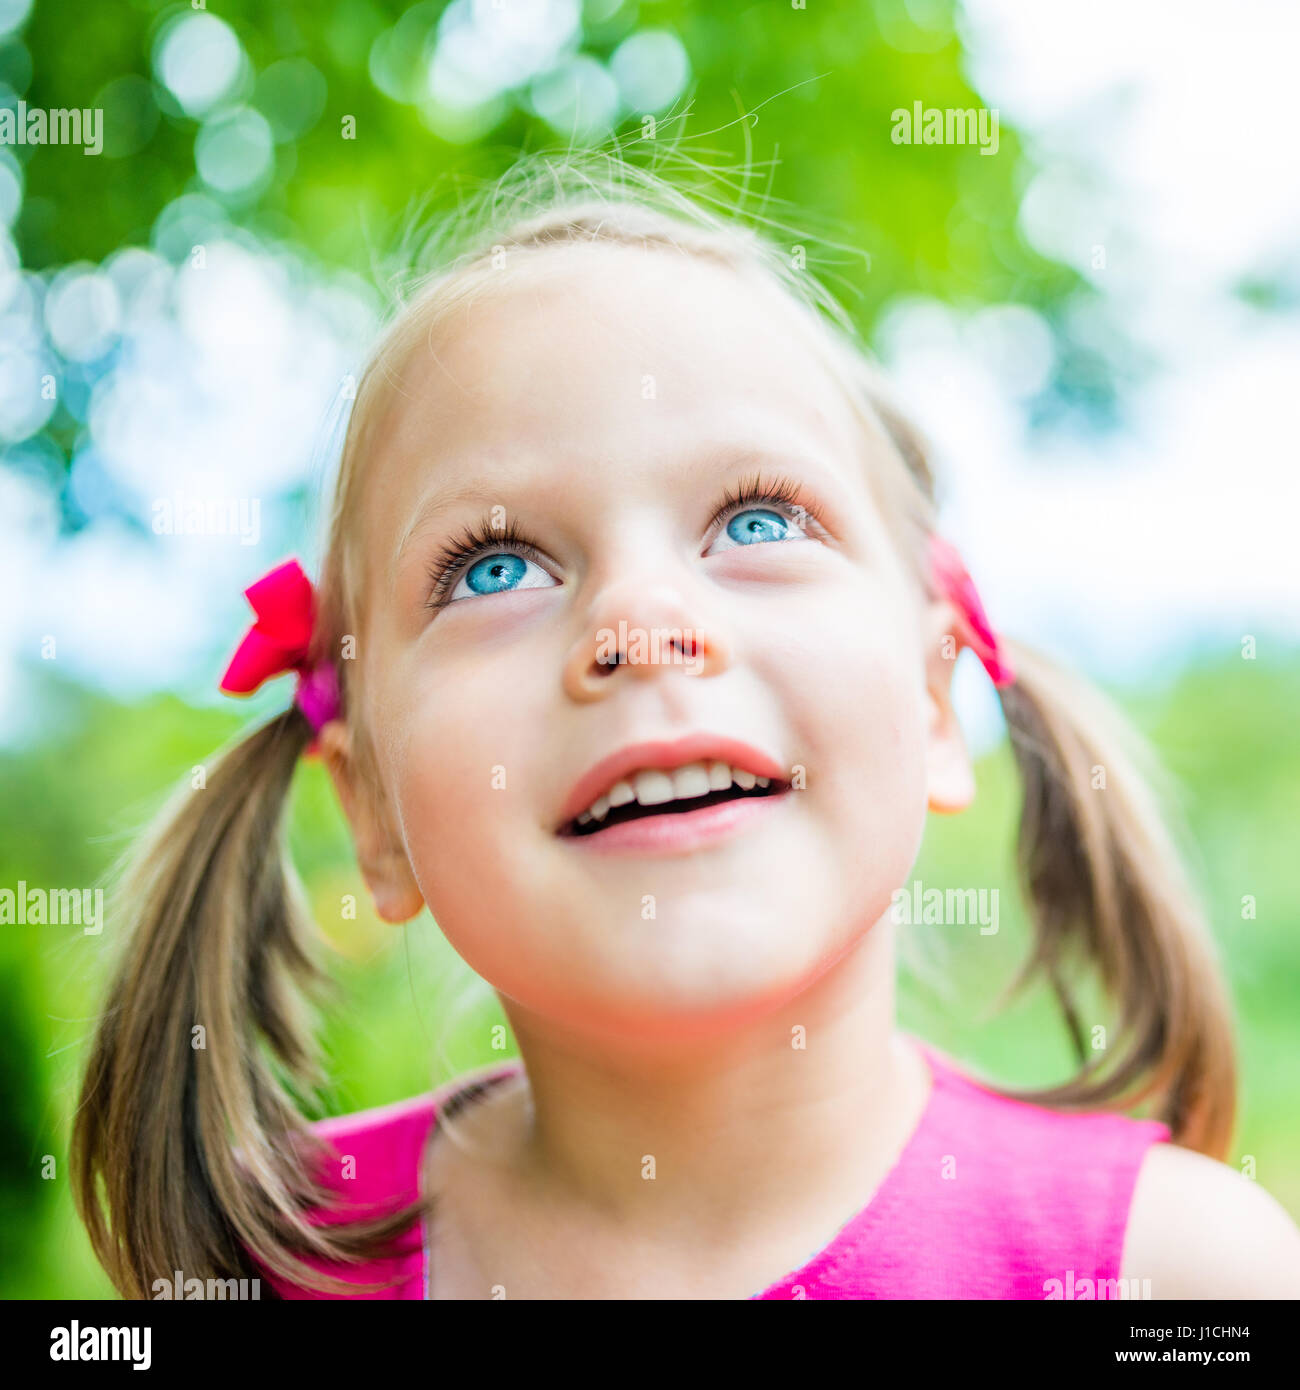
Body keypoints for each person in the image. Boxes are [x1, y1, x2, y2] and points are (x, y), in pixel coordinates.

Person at [72, 153, 1300, 1300]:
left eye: (757, 523)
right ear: (373, 811)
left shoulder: (1177, 1272)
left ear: (935, 698)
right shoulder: (265, 1264)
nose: (640, 623)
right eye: (497, 566)